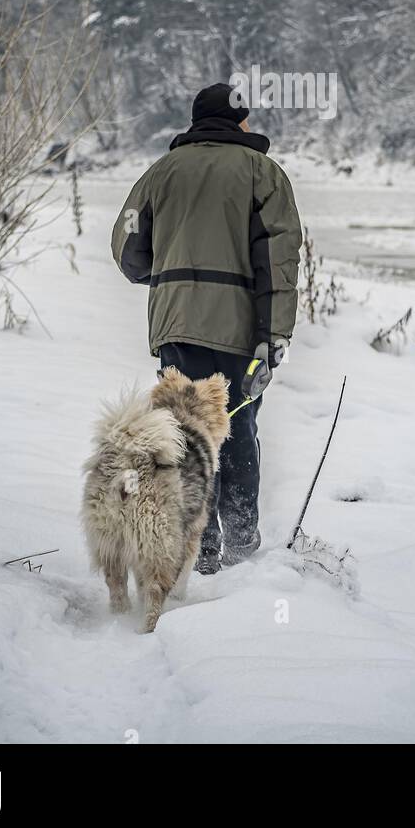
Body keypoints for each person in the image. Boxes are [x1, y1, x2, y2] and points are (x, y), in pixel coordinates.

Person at [111, 82, 302, 574]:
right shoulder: (264, 174)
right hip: (242, 334)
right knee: (237, 430)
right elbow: (278, 259)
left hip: (177, 327)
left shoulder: (160, 173)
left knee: (189, 435)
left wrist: (166, 270)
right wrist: (276, 334)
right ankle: (241, 550)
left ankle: (202, 553)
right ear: (240, 122)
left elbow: (128, 249)